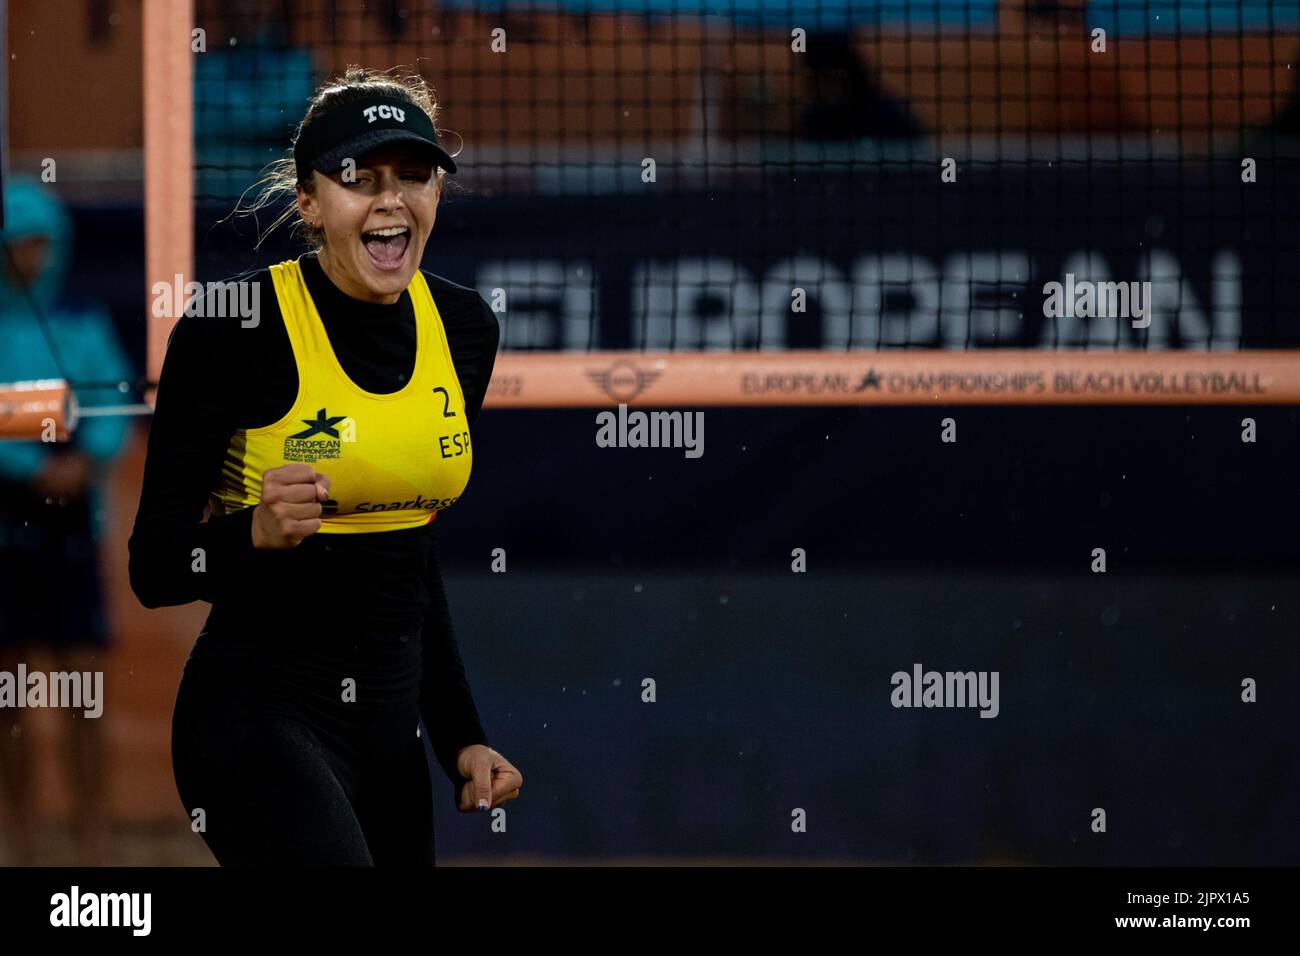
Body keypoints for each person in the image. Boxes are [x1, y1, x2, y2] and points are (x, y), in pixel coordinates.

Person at [128, 67, 522, 865]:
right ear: (308, 201)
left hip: (388, 735)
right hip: (255, 721)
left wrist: (462, 737)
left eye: (414, 177)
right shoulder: (232, 329)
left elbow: (412, 558)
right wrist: (252, 535)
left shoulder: (464, 327)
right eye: (358, 178)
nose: (391, 199)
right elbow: (154, 568)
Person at [0, 174, 132, 866]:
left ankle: (94, 839)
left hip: (72, 521)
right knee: (11, 692)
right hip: (7, 524)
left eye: (42, 242)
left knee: (83, 685)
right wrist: (31, 462)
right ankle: (20, 837)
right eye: (21, 243)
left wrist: (82, 462)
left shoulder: (83, 320)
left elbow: (108, 406)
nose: (33, 256)